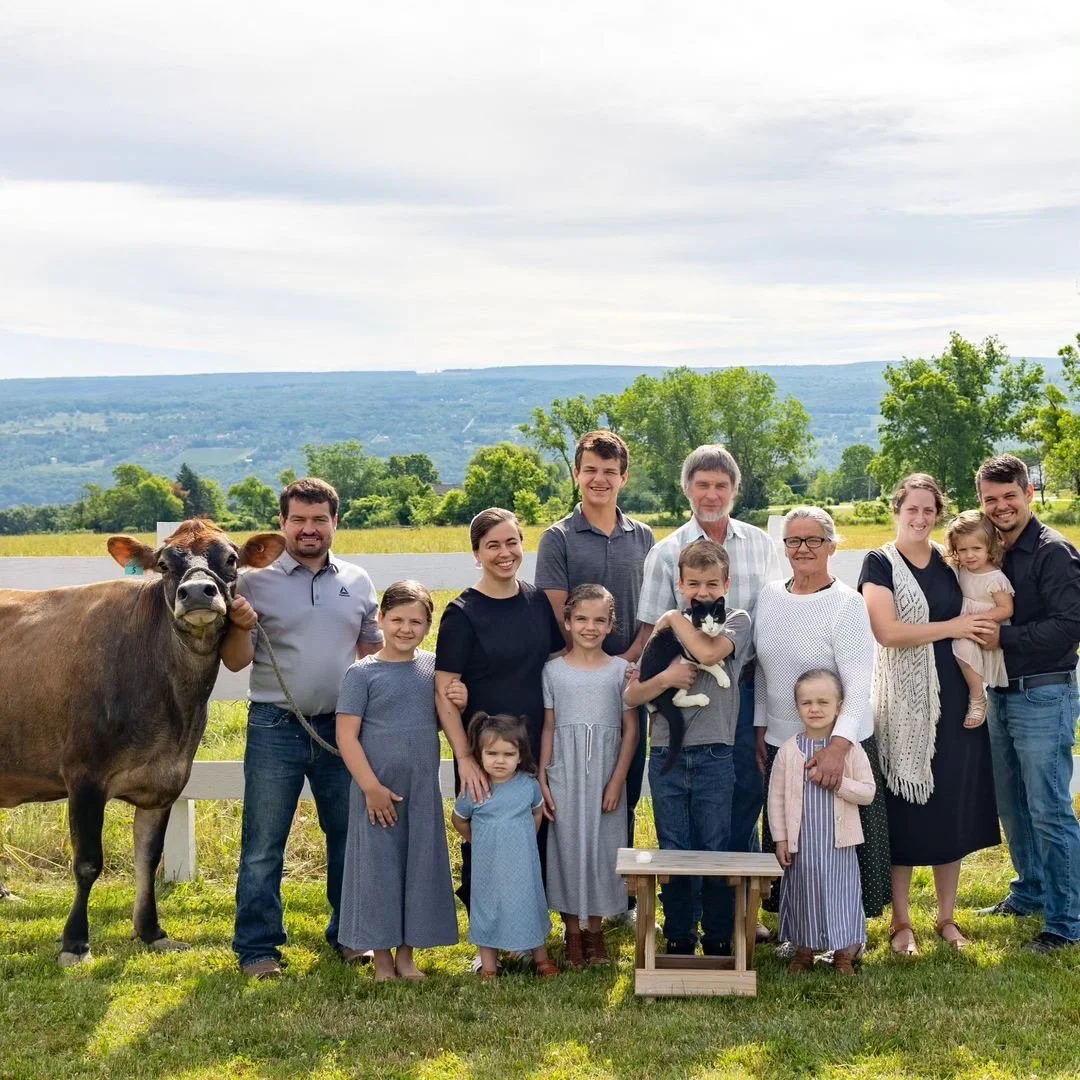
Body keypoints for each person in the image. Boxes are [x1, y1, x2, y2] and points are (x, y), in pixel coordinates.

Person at [221, 477, 383, 979]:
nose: (308, 529)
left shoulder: (357, 580)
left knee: (348, 836)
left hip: (342, 729)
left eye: (318, 520)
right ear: (282, 523)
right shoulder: (253, 583)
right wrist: (240, 626)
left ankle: (351, 934)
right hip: (275, 724)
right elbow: (235, 662)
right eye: (298, 520)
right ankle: (258, 948)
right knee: (264, 844)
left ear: (335, 522)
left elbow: (372, 656)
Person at [858, 473, 1000, 956]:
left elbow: (984, 596)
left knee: (949, 809)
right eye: (911, 509)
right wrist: (954, 626)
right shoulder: (880, 562)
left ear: (938, 513)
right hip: (903, 704)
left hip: (954, 697)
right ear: (896, 511)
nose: (920, 518)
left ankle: (946, 917)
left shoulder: (948, 559)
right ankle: (901, 922)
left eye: (928, 510)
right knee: (904, 810)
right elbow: (887, 632)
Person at [637, 445, 783, 862]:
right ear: (686, 488)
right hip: (692, 688)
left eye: (721, 485)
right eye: (702, 484)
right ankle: (691, 889)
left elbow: (775, 617)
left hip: (748, 685)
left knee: (745, 786)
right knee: (691, 789)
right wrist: (647, 684)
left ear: (736, 489)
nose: (712, 494)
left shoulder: (760, 545)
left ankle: (734, 891)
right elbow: (651, 630)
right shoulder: (667, 552)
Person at [534, 430, 655, 913]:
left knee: (621, 786)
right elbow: (556, 609)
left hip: (628, 679)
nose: (599, 479)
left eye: (609, 471)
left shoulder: (643, 536)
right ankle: (567, 897)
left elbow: (653, 607)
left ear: (624, 477)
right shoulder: (558, 538)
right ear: (576, 474)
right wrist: (589, 662)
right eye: (590, 470)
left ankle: (616, 896)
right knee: (571, 790)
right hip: (576, 679)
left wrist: (629, 660)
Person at [753, 507, 890, 927]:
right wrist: (761, 727)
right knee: (792, 835)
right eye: (794, 540)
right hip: (783, 742)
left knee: (839, 841)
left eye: (814, 540)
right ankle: (799, 927)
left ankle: (847, 930)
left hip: (840, 744)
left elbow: (858, 683)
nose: (803, 548)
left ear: (831, 546)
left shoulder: (847, 604)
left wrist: (837, 748)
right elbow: (762, 669)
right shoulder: (769, 596)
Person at [335, 581, 472, 981]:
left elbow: (443, 718)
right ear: (380, 619)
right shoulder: (362, 673)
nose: (406, 629)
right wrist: (371, 788)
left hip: (421, 790)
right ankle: (382, 959)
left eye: (416, 622)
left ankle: (407, 957)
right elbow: (346, 736)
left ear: (428, 625)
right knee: (378, 870)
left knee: (419, 866)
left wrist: (460, 699)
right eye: (397, 620)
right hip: (376, 792)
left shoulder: (432, 669)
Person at [434, 508, 565, 916]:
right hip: (486, 752)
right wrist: (465, 759)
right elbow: (443, 693)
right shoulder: (462, 614)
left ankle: (528, 927)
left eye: (512, 542)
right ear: (476, 554)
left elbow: (557, 662)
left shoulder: (536, 600)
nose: (504, 553)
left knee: (534, 832)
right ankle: (488, 932)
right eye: (492, 545)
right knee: (486, 838)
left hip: (532, 743)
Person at [625, 539, 751, 956]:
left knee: (715, 845)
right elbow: (633, 694)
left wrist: (669, 617)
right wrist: (666, 679)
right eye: (693, 583)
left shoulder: (736, 621)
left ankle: (717, 937)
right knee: (673, 846)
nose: (703, 591)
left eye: (712, 583)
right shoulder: (667, 632)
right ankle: (679, 935)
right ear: (680, 584)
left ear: (726, 584)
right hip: (667, 753)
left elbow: (707, 652)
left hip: (716, 753)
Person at [976, 453, 1080, 953]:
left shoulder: (1053, 551)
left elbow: (1070, 625)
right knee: (1012, 805)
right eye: (990, 499)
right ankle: (1030, 891)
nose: (1001, 506)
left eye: (1009, 496)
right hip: (1000, 692)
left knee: (1048, 809)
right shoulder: (995, 550)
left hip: (1044, 693)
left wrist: (1006, 638)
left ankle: (1066, 921)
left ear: (1028, 493)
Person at [538, 584, 639, 967]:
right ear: (567, 621)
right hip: (564, 771)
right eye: (581, 618)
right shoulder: (552, 671)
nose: (590, 627)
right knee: (566, 848)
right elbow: (549, 726)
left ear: (611, 625)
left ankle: (595, 932)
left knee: (603, 848)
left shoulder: (620, 672)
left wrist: (617, 781)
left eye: (599, 620)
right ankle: (572, 933)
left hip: (605, 774)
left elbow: (631, 730)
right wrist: (543, 777)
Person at [768, 670, 875, 976]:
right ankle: (803, 952)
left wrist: (839, 783)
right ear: (797, 707)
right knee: (803, 895)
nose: (814, 709)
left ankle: (843, 954)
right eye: (807, 703)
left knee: (841, 896)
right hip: (802, 845)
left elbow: (868, 792)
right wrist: (781, 838)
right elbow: (776, 798)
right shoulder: (789, 751)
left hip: (838, 846)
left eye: (823, 702)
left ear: (839, 706)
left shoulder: (850, 750)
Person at [452, 712, 559, 980]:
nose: (500, 760)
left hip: (522, 865)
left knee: (528, 904)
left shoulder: (528, 786)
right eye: (492, 753)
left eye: (508, 754)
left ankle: (541, 959)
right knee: (488, 909)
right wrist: (477, 840)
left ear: (520, 756)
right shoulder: (474, 789)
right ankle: (489, 966)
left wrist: (526, 838)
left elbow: (537, 812)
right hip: (488, 867)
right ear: (480, 755)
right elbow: (459, 819)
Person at [942, 510, 1014, 729]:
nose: (970, 555)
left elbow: (1006, 609)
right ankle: (974, 693)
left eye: (976, 549)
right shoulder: (961, 569)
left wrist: (978, 619)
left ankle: (977, 697)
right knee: (961, 649)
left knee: (962, 646)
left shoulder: (995, 578)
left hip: (984, 625)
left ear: (989, 547)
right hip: (963, 624)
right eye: (963, 550)